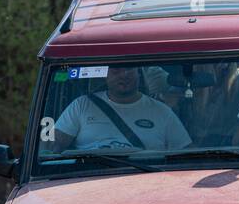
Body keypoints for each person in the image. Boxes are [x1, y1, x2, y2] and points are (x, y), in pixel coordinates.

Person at [53, 65, 191, 151]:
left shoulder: (162, 112)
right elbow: (51, 146)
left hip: (145, 177)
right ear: (105, 75)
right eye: (116, 69)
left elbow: (186, 154)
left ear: (138, 72)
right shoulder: (82, 105)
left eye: (129, 68)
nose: (124, 74)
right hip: (87, 176)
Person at [189, 62, 239, 146]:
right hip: (194, 145)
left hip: (229, 144)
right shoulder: (192, 78)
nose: (223, 64)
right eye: (216, 61)